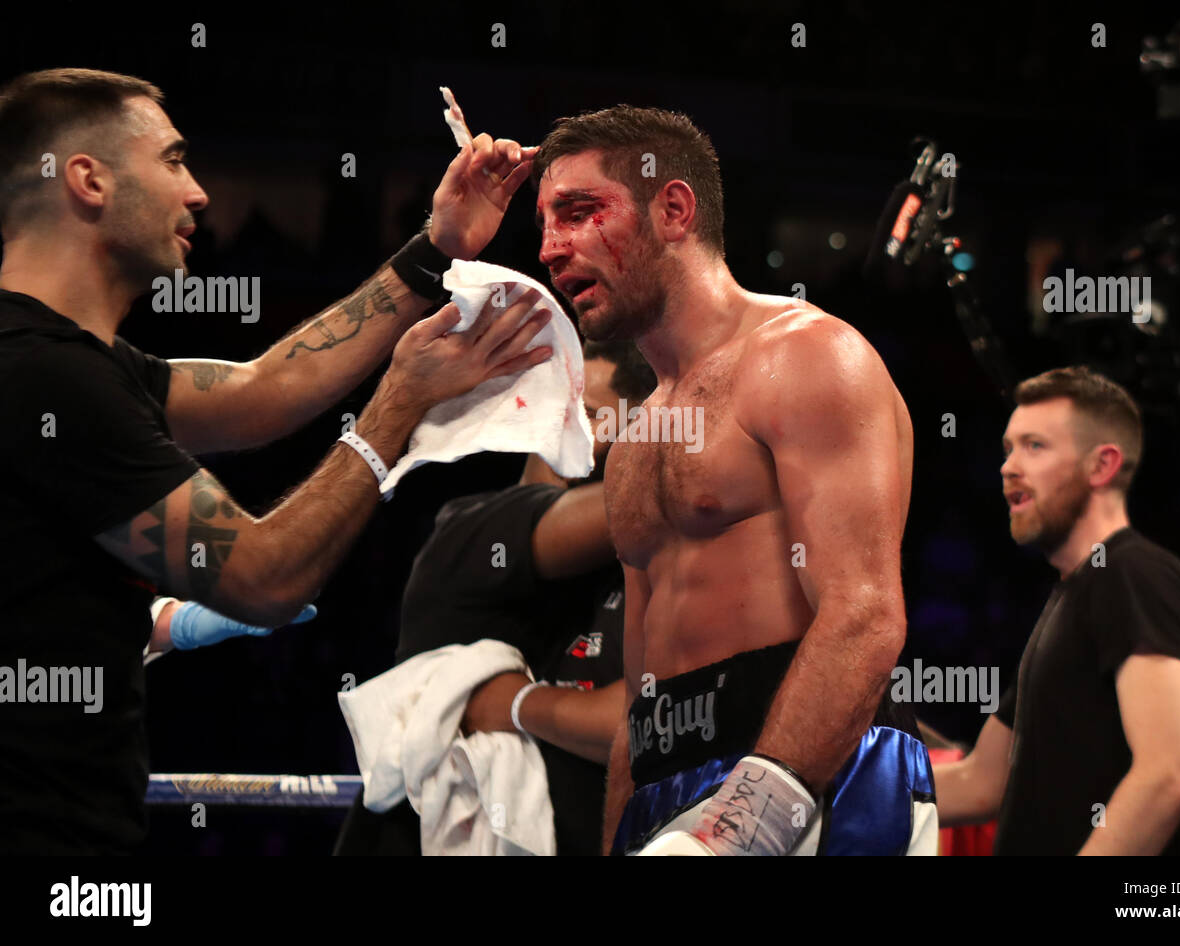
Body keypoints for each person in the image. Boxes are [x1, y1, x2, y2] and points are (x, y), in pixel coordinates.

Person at [0, 67, 547, 854]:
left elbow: (264, 390)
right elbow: (263, 577)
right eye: (173, 160)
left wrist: (436, 249)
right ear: (86, 179)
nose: (198, 194)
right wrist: (399, 405)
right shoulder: (46, 376)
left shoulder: (76, 366)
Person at [532, 106, 935, 856]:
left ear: (674, 209)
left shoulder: (809, 358)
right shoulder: (635, 444)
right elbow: (641, 708)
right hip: (671, 787)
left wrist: (748, 823)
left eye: (581, 213)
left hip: (819, 778)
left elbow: (865, 616)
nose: (553, 248)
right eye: (546, 225)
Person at [334, 340, 656, 856]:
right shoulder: (472, 528)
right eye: (556, 405)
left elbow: (646, 723)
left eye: (594, 415)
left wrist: (520, 704)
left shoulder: (650, 571)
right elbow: (641, 506)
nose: (566, 426)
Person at [932, 366, 1180, 854]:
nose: (1008, 467)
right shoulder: (1070, 597)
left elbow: (1168, 772)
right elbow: (985, 782)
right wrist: (822, 792)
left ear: (1101, 466)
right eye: (1008, 448)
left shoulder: (1133, 574)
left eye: (1034, 446)